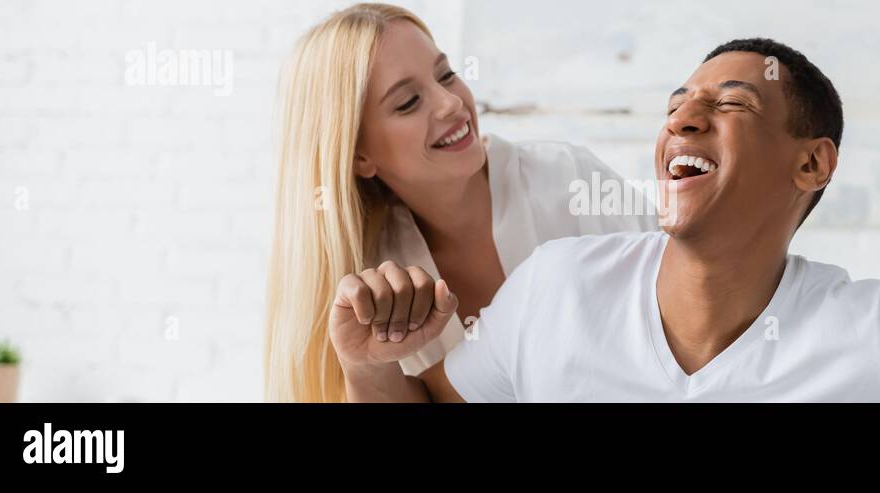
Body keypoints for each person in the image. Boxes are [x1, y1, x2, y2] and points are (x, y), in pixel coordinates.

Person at [332, 37, 880, 403]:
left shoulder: (871, 332)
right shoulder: (555, 289)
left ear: (812, 165)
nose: (683, 119)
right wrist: (368, 372)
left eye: (732, 104)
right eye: (677, 103)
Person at [263, 3, 654, 402]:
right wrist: (364, 367)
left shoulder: (569, 180)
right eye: (408, 102)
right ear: (359, 156)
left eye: (446, 75)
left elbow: (685, 289)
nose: (451, 103)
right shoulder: (370, 285)